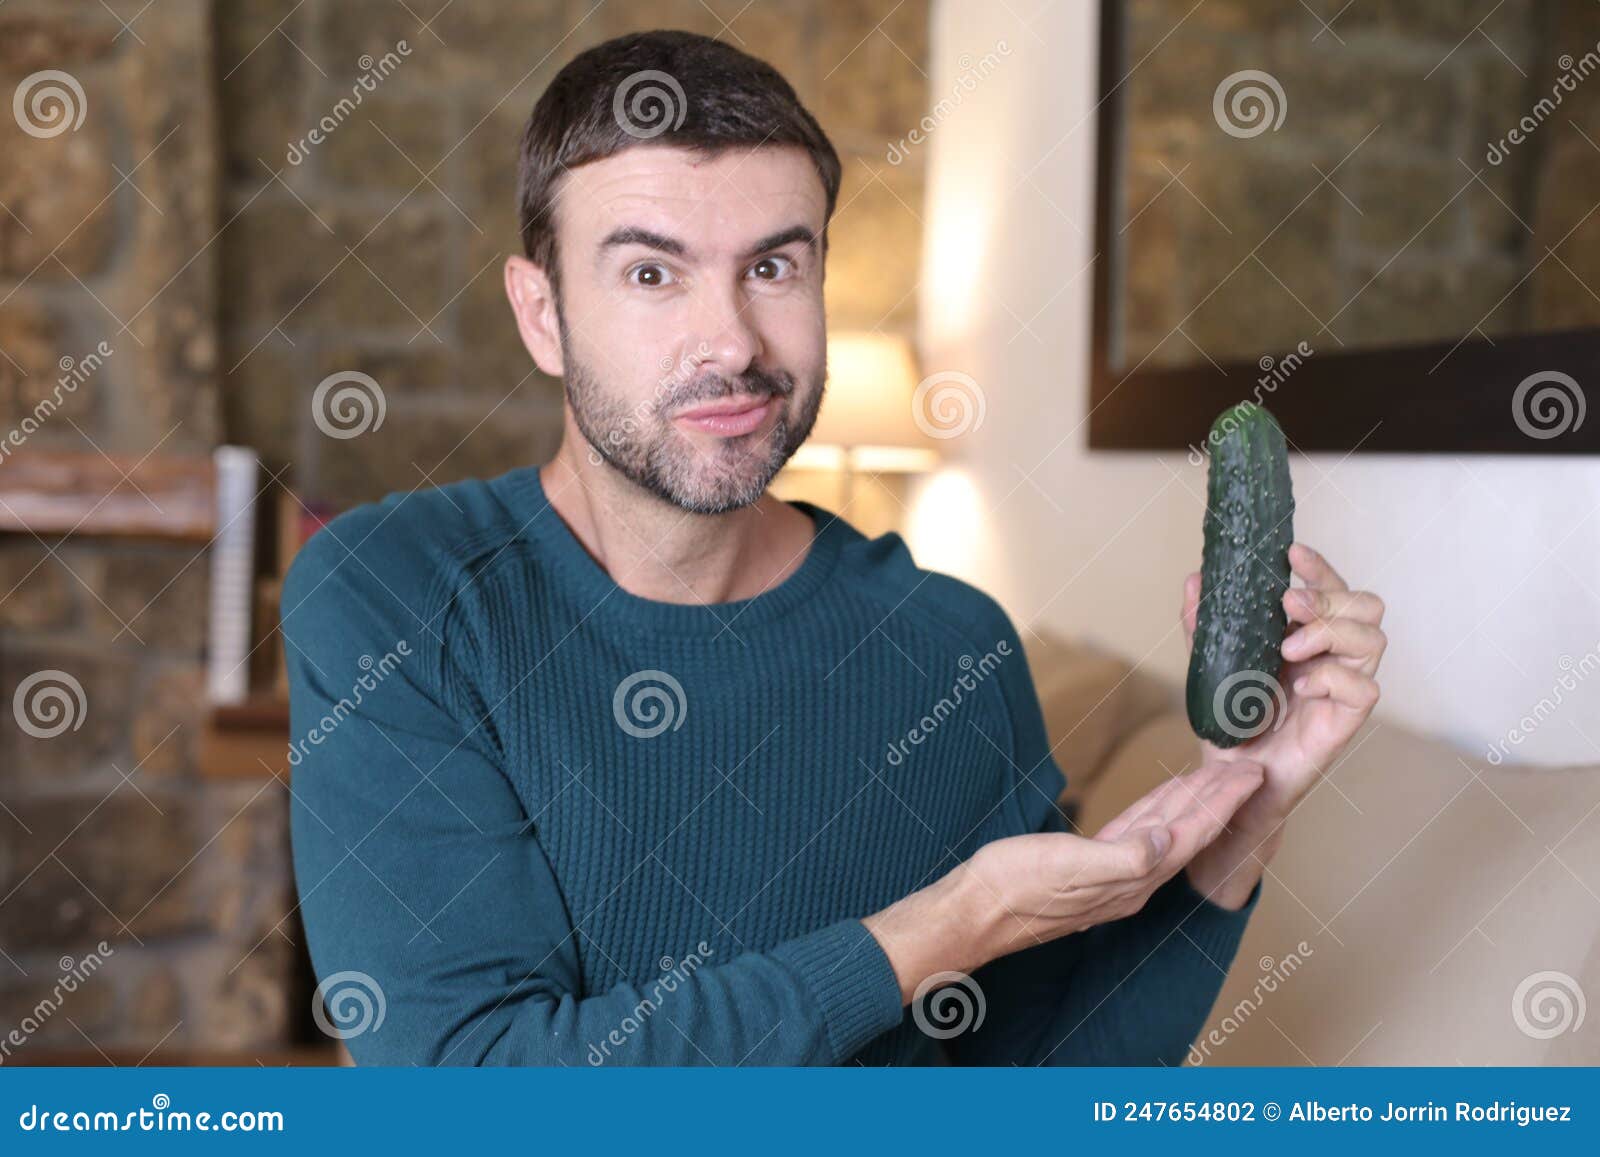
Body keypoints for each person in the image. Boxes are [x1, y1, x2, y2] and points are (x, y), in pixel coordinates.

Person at [281, 29, 1387, 1066]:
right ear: (542, 314)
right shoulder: (397, 593)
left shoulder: (951, 644)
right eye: (651, 273)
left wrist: (1248, 804)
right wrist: (939, 927)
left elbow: (1043, 1075)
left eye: (773, 267)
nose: (731, 340)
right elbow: (467, 1076)